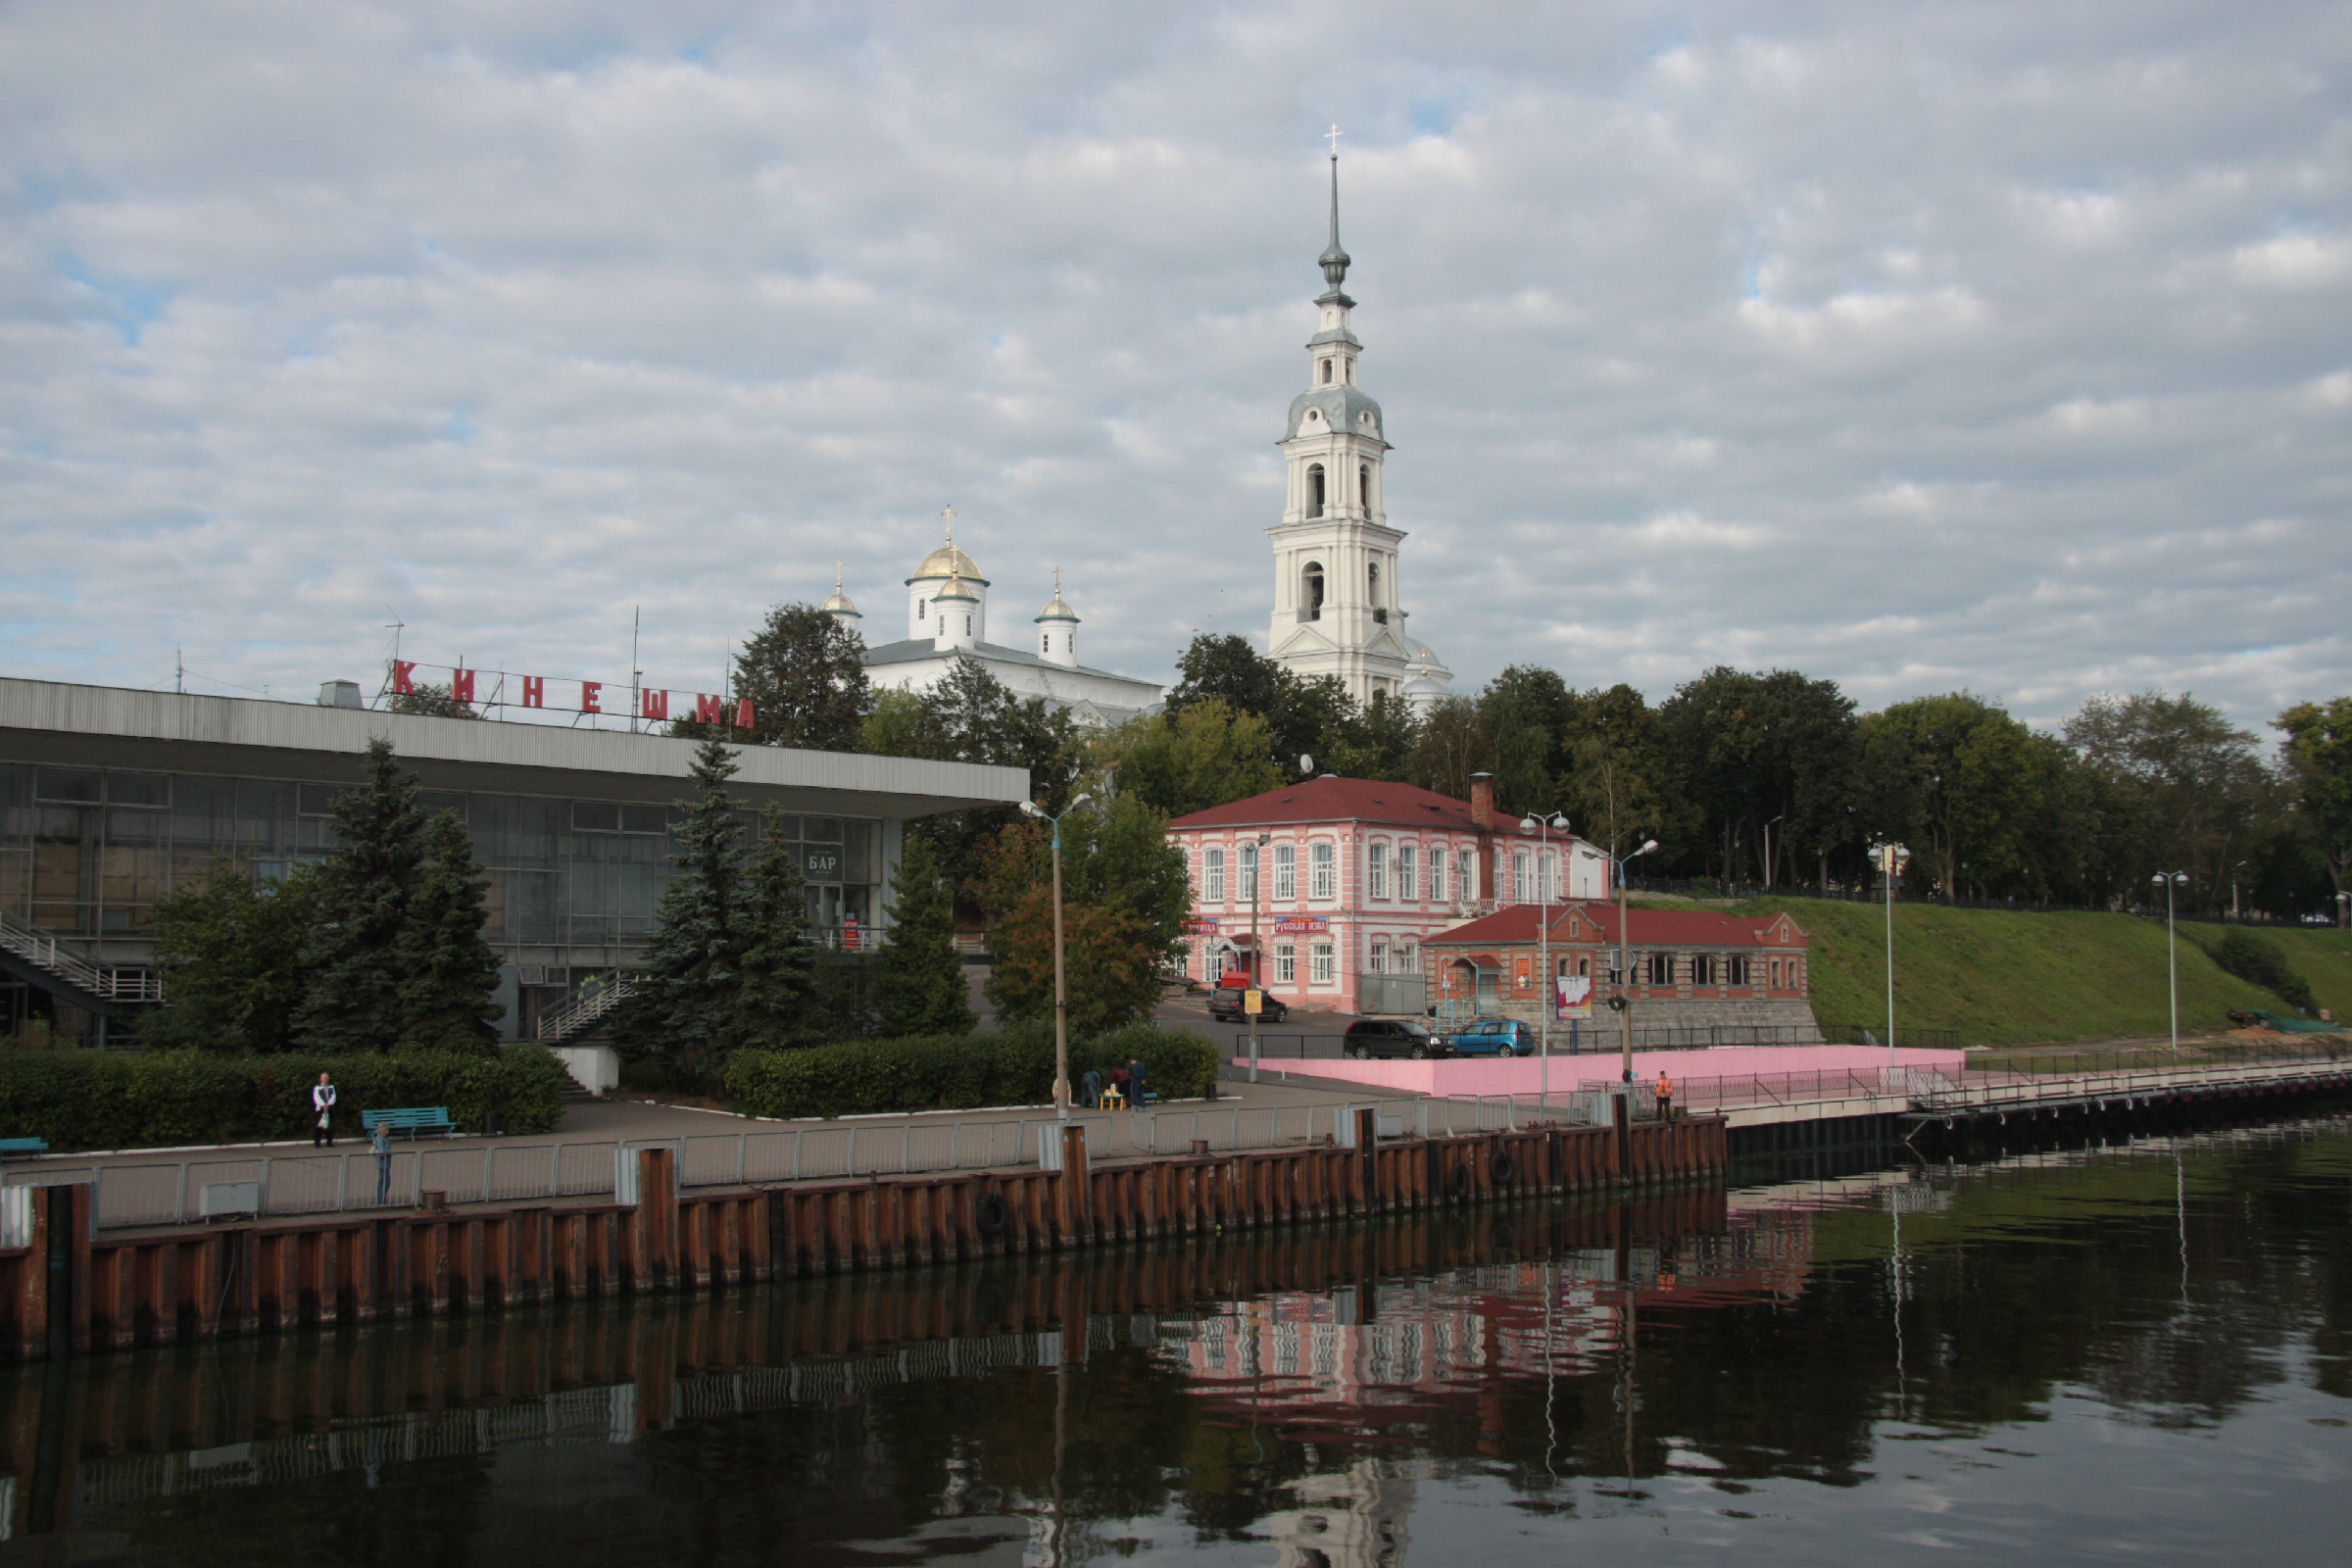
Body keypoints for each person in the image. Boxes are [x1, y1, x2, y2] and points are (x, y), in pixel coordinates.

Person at [312, 1072, 337, 1148]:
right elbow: (316, 1097)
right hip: (320, 1109)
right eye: (324, 1078)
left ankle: (329, 1142)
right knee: (319, 1126)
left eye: (326, 1078)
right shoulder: (317, 1088)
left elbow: (333, 1096)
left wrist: (328, 1104)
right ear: (321, 1079)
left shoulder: (331, 1087)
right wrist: (323, 1105)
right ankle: (317, 1142)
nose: (325, 1079)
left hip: (330, 1109)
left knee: (330, 1125)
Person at [371, 1119, 393, 1205]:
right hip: (383, 1162)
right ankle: (380, 1200)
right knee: (386, 1182)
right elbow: (382, 1150)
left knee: (382, 1181)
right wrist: (390, 1151)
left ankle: (381, 1199)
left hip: (384, 1163)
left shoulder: (381, 1138)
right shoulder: (380, 1139)